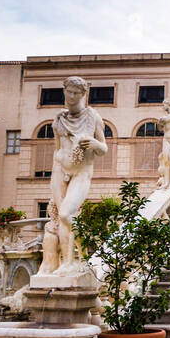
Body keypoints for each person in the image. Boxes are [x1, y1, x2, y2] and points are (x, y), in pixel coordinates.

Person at [38, 76, 108, 276]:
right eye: (68, 92)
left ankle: (82, 255)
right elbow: (57, 148)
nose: (71, 96)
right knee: (61, 219)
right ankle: (63, 263)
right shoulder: (59, 119)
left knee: (67, 214)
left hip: (81, 172)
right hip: (60, 169)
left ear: (83, 95)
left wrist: (95, 144)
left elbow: (103, 148)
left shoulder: (93, 117)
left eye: (76, 93)